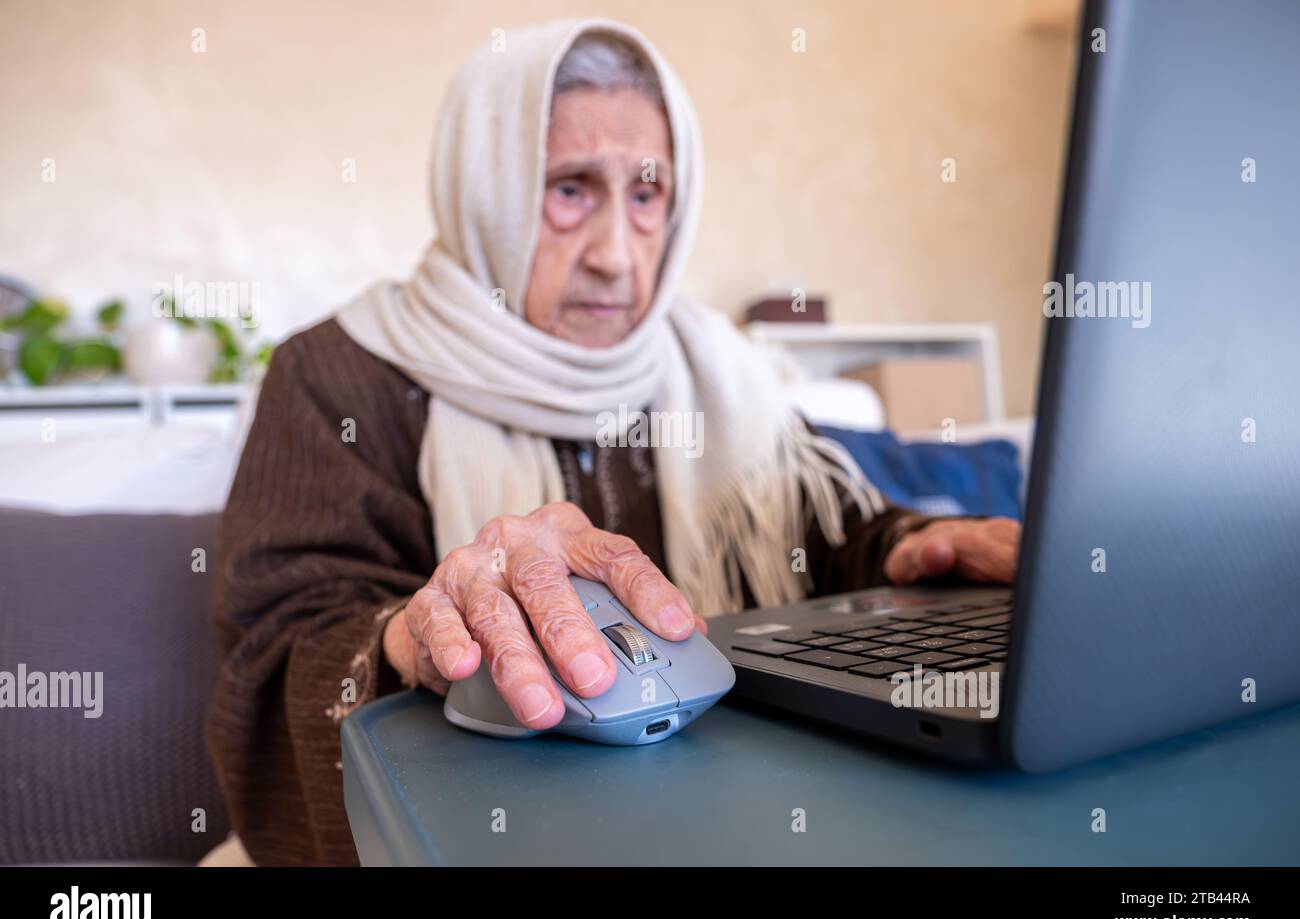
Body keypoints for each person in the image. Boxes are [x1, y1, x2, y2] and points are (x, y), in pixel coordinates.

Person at [206, 19, 1021, 866]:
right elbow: (274, 656)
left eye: (646, 194)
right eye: (567, 190)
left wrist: (916, 545)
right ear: (482, 189)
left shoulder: (721, 371)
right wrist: (414, 638)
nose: (615, 255)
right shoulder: (338, 374)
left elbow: (831, 540)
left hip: (736, 812)